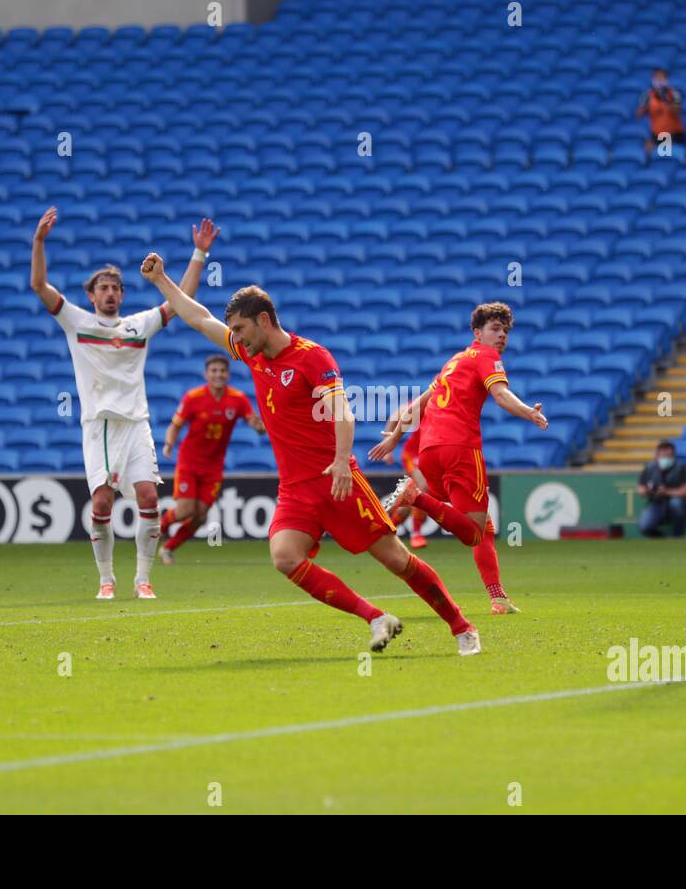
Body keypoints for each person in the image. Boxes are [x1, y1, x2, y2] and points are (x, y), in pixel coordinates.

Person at [140, 254, 481, 655]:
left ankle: (462, 626)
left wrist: (340, 460)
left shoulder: (312, 358)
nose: (236, 337)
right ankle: (375, 617)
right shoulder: (251, 353)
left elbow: (343, 413)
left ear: (264, 320)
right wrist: (162, 280)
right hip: (296, 489)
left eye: (241, 328)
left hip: (338, 481)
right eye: (233, 329)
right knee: (285, 557)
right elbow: (198, 318)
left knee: (396, 560)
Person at [31, 208, 215, 600]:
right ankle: (105, 578)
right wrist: (39, 241)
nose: (111, 293)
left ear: (123, 295)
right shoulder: (77, 322)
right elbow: (39, 286)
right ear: (91, 295)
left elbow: (182, 303)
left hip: (136, 424)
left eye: (116, 287)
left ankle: (143, 578)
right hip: (100, 424)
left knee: (149, 497)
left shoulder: (139, 325)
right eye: (104, 287)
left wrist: (198, 254)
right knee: (101, 501)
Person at [371, 302, 549, 616]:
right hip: (460, 449)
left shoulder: (454, 361)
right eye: (495, 329)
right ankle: (416, 497)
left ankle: (498, 598)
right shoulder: (486, 356)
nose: (502, 336)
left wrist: (396, 437)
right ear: (477, 333)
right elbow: (501, 395)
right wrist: (529, 414)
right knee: (473, 532)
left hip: (429, 452)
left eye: (505, 330)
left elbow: (421, 403)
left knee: (485, 527)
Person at [158, 354, 265, 563]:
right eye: (214, 371)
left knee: (201, 516)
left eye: (222, 371)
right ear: (206, 374)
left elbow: (254, 422)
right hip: (189, 462)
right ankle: (156, 530)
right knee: (185, 510)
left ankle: (168, 548)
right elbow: (175, 425)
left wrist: (259, 427)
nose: (218, 374)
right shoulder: (193, 397)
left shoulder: (238, 399)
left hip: (214, 467)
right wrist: (169, 443)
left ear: (228, 374)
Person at [381, 410, 430, 550]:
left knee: (409, 504)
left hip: (431, 456)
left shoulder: (452, 408)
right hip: (414, 454)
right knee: (423, 487)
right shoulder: (428, 402)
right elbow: (397, 415)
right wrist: (388, 443)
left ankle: (385, 532)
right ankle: (416, 534)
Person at [636, 441, 686, 537]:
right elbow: (641, 489)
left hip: (676, 502)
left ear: (674, 456)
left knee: (676, 504)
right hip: (656, 503)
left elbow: (685, 491)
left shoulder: (680, 468)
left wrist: (666, 491)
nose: (665, 458)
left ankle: (678, 535)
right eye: (663, 455)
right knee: (644, 525)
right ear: (657, 455)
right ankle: (659, 538)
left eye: (669, 456)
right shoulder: (649, 468)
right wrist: (651, 490)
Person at [636, 67, 686, 159]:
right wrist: (644, 105)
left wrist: (667, 100)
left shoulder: (673, 93)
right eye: (656, 78)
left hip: (673, 134)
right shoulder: (648, 95)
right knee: (651, 153)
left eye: (661, 78)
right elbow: (638, 115)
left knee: (668, 157)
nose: (659, 80)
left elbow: (677, 111)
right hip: (657, 134)